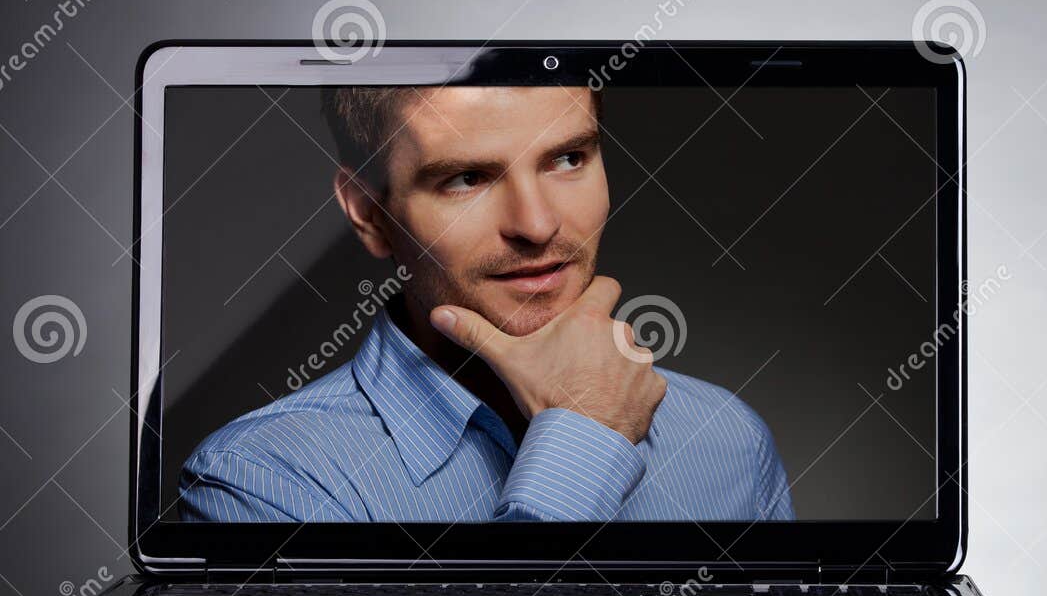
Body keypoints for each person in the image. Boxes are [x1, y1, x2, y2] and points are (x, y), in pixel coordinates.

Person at [178, 83, 794, 523]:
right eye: (467, 179)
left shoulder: (727, 440)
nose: (537, 225)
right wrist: (586, 442)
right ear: (369, 213)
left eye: (568, 158)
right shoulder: (263, 482)